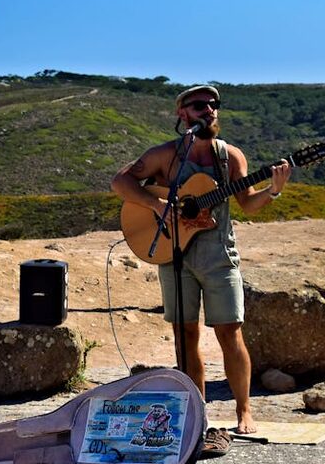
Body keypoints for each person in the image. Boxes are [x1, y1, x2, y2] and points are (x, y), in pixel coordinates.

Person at [111, 85, 291, 434]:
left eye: (213, 105)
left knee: (229, 331)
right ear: (183, 115)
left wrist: (274, 190)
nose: (209, 110)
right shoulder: (165, 156)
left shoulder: (231, 158)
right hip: (173, 252)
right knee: (185, 332)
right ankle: (198, 411)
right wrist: (155, 204)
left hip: (219, 256)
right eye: (199, 106)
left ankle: (244, 411)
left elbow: (248, 204)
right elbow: (121, 181)